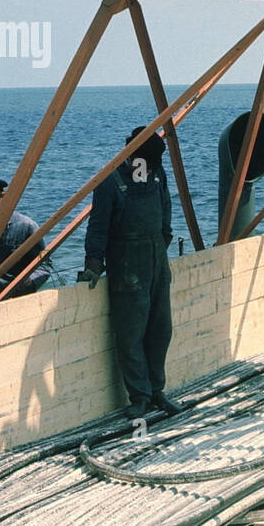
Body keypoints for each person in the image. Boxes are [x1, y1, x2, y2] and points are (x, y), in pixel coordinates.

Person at [80, 129, 180, 419]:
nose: (151, 167)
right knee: (131, 332)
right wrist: (93, 264)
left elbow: (166, 210)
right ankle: (139, 396)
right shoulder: (110, 182)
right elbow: (97, 228)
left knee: (161, 329)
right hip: (127, 260)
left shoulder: (158, 173)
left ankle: (157, 389)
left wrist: (162, 245)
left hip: (157, 257)